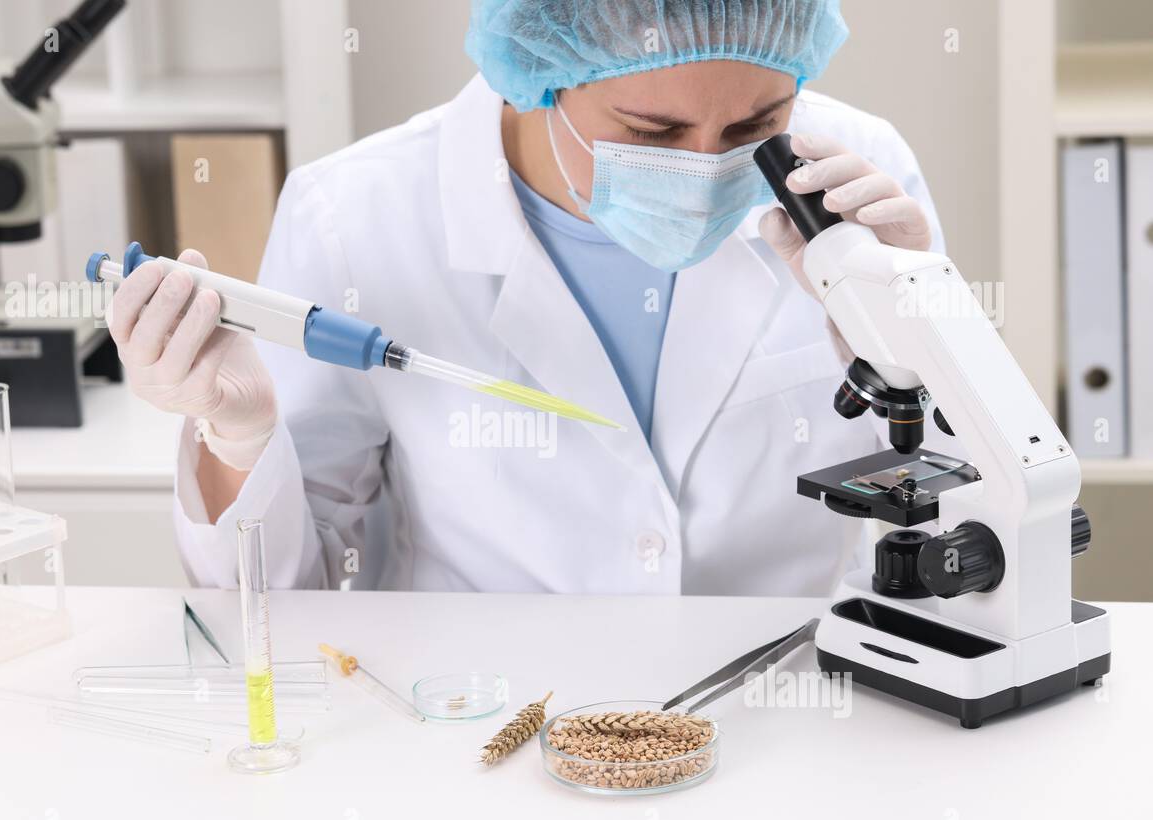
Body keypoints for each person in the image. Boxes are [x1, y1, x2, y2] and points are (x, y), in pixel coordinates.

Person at [106, 0, 943, 595]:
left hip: (785, 722)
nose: (705, 165)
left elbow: (956, 507)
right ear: (540, 73)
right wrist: (237, 435)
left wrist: (926, 339)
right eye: (652, 133)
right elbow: (281, 601)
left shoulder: (858, 176)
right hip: (485, 735)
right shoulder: (357, 217)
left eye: (754, 127)